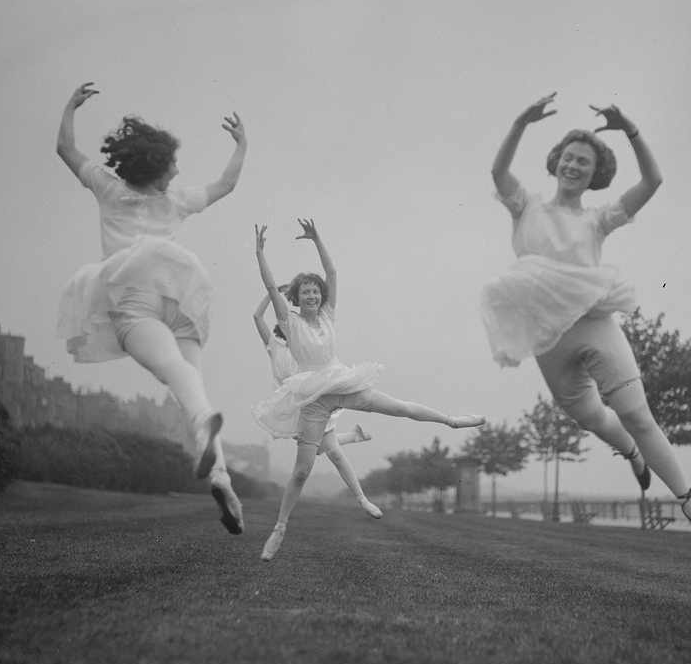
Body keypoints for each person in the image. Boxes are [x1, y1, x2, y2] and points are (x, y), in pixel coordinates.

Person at [481, 92, 691, 542]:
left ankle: (688, 499)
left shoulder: (598, 219)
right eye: (569, 158)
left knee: (636, 411)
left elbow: (653, 181)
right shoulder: (526, 206)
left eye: (585, 163)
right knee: (589, 416)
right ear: (555, 163)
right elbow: (498, 172)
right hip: (547, 338)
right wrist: (520, 122)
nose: (575, 167)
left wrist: (630, 129)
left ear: (595, 175)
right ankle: (631, 452)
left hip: (594, 324)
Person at [55, 82, 245, 535]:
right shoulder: (174, 202)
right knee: (188, 380)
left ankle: (204, 435)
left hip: (138, 300)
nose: (177, 173)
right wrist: (242, 145)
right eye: (173, 165)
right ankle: (219, 473)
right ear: (156, 169)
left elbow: (65, 148)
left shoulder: (108, 188)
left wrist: (70, 107)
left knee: (174, 371)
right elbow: (228, 183)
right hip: (180, 295)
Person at [253, 220, 485, 560]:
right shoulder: (291, 323)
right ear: (297, 299)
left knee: (401, 408)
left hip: (343, 383)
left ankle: (451, 420)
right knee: (302, 470)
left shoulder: (329, 314)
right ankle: (280, 528)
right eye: (306, 293)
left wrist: (318, 239)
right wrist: (260, 251)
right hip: (313, 398)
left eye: (316, 292)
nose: (313, 296)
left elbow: (332, 271)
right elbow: (272, 288)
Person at [254, 291, 381, 519]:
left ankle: (362, 497)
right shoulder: (274, 348)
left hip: (312, 402)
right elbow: (257, 317)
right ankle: (354, 437)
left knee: (329, 450)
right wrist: (270, 294)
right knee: (321, 449)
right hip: (292, 407)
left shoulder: (300, 351)